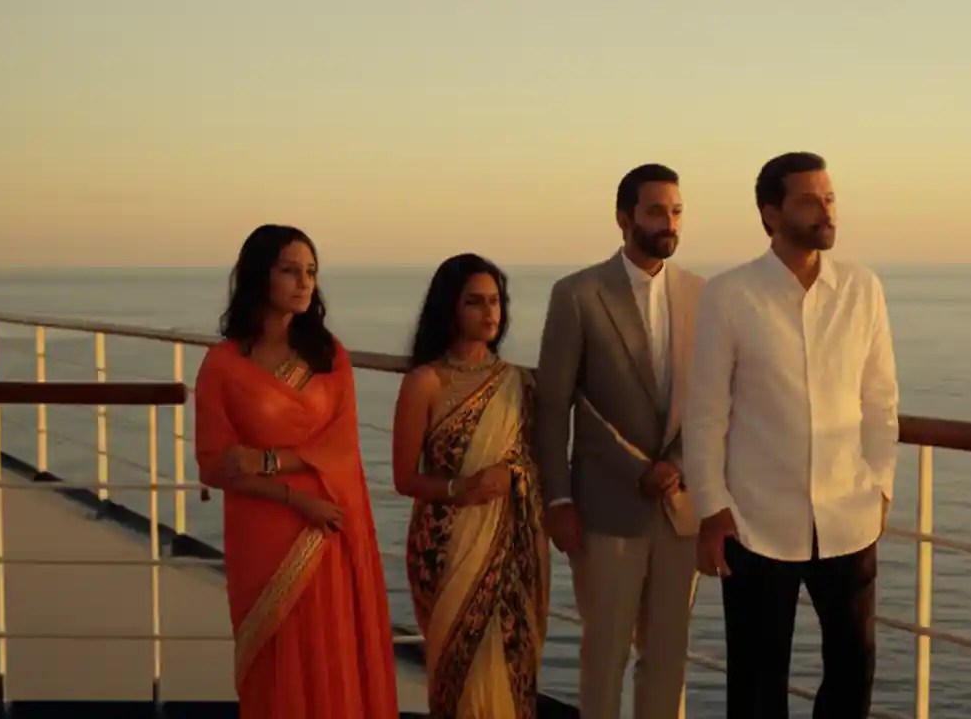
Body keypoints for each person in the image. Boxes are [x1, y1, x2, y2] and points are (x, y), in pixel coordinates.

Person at [682, 151, 900, 718]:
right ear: (770, 214)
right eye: (809, 200)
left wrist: (880, 487)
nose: (826, 210)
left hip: (849, 518)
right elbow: (705, 410)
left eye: (830, 198)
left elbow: (880, 400)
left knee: (853, 675)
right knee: (756, 685)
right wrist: (712, 508)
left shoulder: (862, 288)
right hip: (755, 523)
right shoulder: (730, 295)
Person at [193, 224, 399, 718]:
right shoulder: (222, 365)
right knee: (273, 661)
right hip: (264, 528)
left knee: (329, 652)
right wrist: (291, 497)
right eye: (290, 270)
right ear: (259, 276)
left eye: (310, 271)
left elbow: (342, 447)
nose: (304, 282)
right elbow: (215, 463)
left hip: (326, 520)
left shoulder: (328, 357)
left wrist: (267, 460)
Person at [535, 163, 706, 719]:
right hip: (605, 508)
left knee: (668, 658)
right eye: (657, 210)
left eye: (677, 210)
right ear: (623, 217)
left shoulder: (705, 296)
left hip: (681, 508)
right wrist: (557, 500)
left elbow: (713, 398)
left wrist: (677, 463)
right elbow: (554, 404)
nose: (669, 221)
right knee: (603, 655)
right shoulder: (578, 295)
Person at [392, 253, 549, 718]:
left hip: (513, 550)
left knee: (510, 668)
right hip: (446, 549)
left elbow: (535, 460)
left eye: (496, 302)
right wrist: (462, 489)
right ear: (451, 309)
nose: (489, 313)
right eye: (475, 302)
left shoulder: (519, 382)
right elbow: (405, 478)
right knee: (459, 675)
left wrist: (514, 474)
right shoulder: (426, 382)